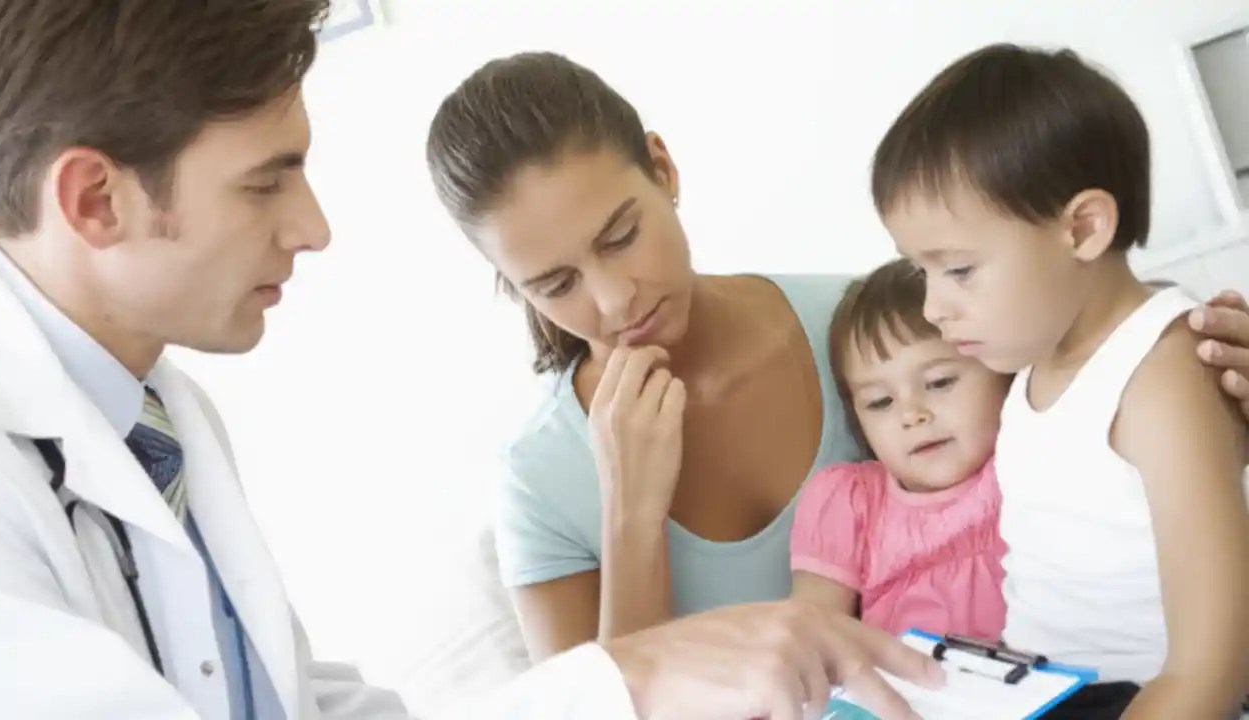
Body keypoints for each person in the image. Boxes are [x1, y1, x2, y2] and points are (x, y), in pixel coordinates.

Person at [0, 2, 950, 719]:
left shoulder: (158, 422)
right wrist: (637, 652)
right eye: (267, 183)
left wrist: (626, 678)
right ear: (95, 200)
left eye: (620, 234)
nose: (313, 229)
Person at [423, 49, 1249, 666]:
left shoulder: (864, 332)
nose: (613, 301)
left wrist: (1202, 380)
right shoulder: (539, 481)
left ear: (663, 168)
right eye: (555, 284)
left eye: (621, 236)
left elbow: (1080, 360)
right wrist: (631, 517)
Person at [872, 43, 1249, 718]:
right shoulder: (1030, 361)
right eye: (919, 271)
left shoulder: (1162, 374)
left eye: (958, 270)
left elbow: (1213, 665)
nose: (932, 308)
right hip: (1040, 688)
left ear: (1082, 229)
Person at [790, 259, 1009, 641]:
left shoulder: (1027, 470)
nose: (912, 414)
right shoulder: (851, 501)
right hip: (897, 678)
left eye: (939, 382)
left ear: (1005, 373)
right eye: (880, 402)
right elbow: (812, 635)